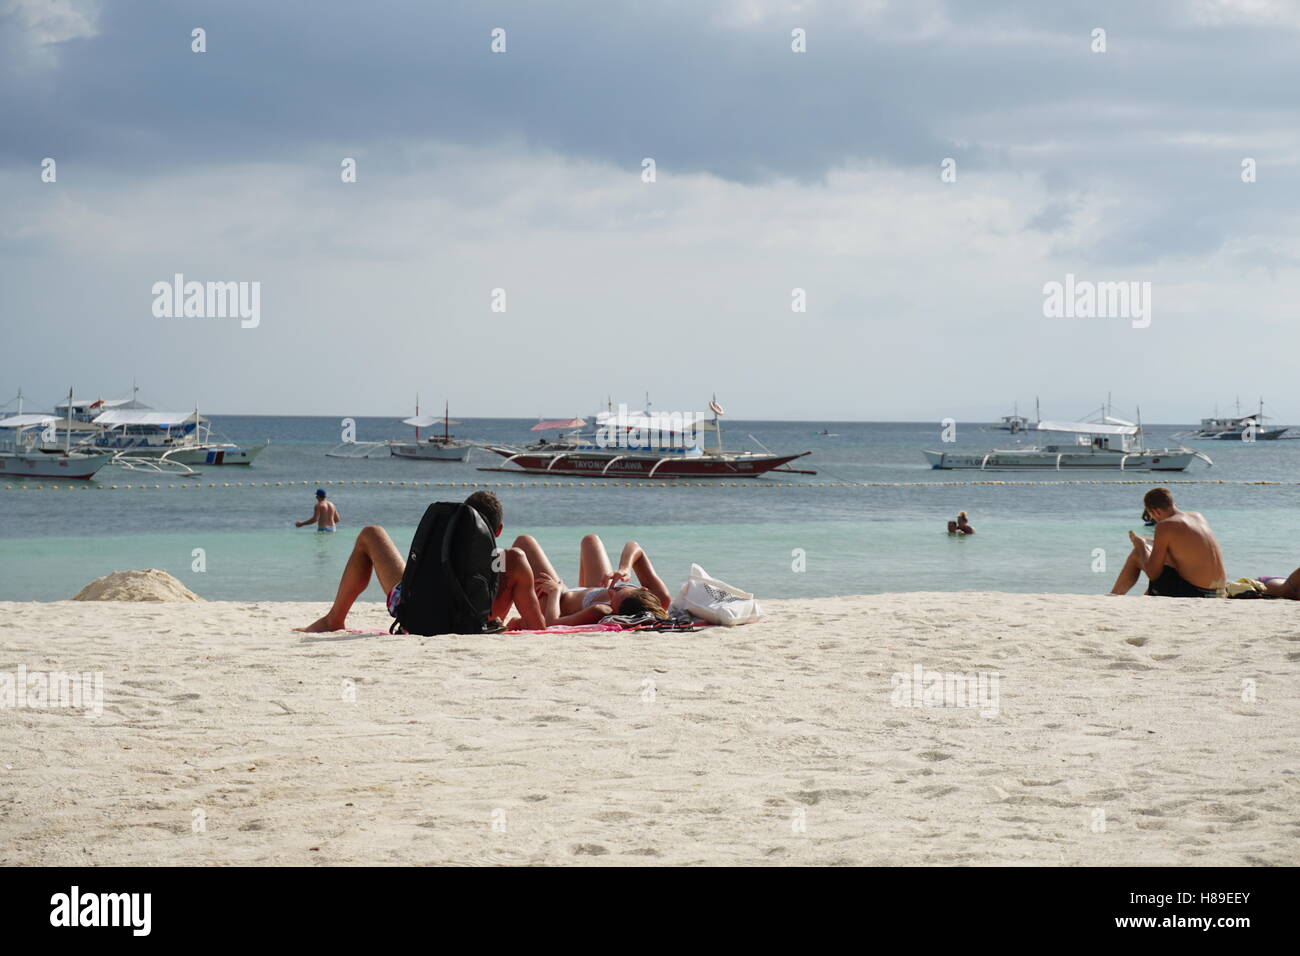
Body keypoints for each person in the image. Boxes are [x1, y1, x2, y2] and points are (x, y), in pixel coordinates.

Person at [295, 491, 547, 632]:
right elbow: (537, 628)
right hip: (474, 623)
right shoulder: (509, 561)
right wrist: (516, 622)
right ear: (498, 530)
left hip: (418, 614)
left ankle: (334, 620)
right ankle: (333, 620)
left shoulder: (444, 547)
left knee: (371, 534)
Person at [508, 533, 672, 626]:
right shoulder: (660, 597)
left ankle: (508, 615)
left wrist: (555, 593)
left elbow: (553, 622)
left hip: (557, 599)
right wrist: (625, 568)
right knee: (591, 539)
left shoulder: (601, 610)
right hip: (589, 590)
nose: (611, 593)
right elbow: (634, 547)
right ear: (643, 590)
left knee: (524, 542)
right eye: (620, 589)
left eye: (613, 599)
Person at [1109, 487, 1226, 597]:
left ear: (1156, 512)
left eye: (1151, 516)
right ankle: (1144, 599)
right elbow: (1179, 546)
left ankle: (1114, 596)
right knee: (1165, 561)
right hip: (1218, 593)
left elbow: (1152, 574)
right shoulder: (1197, 516)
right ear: (1172, 504)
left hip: (1197, 593)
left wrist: (1140, 546)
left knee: (1137, 555)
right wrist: (1146, 541)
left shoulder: (1165, 525)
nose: (1154, 520)